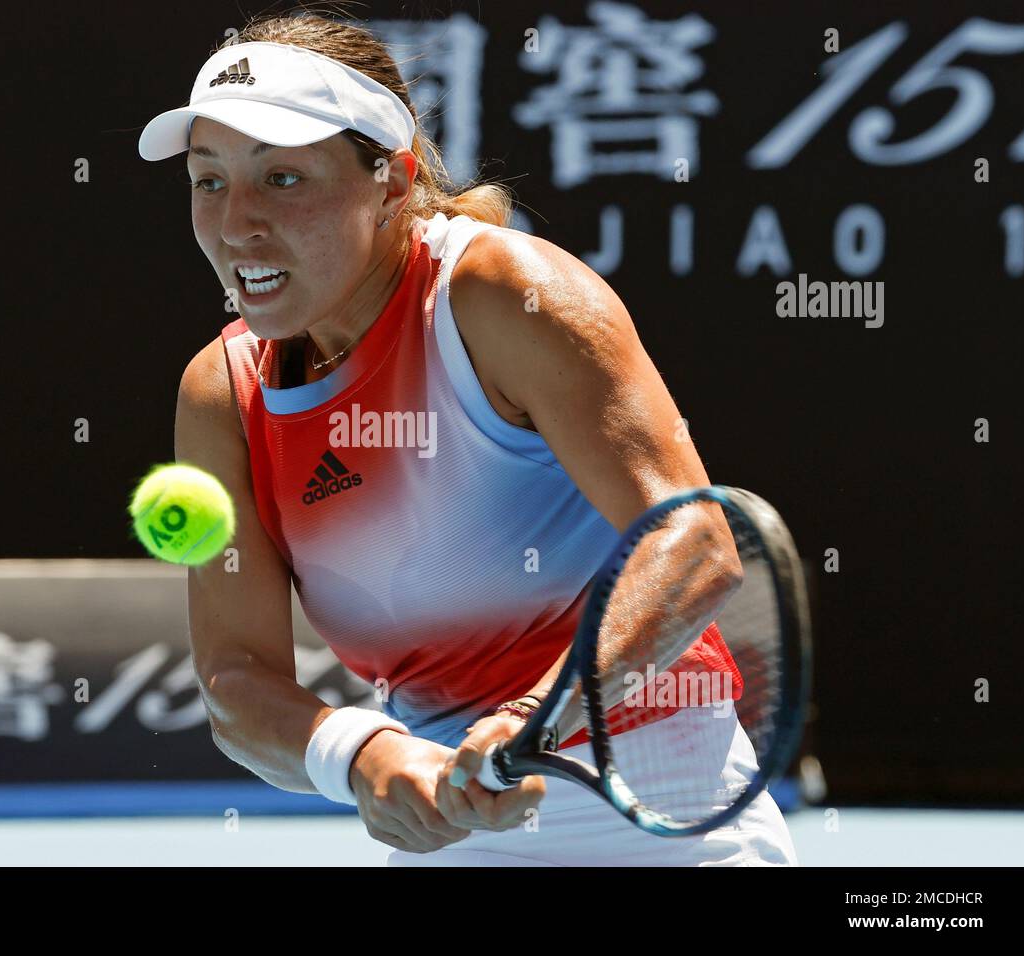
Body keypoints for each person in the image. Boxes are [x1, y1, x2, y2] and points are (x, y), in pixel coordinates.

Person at [140, 11, 797, 865]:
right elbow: (235, 684)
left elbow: (696, 543)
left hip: (666, 812)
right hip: (455, 832)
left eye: (284, 179)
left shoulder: (502, 296)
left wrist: (535, 718)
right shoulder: (221, 394)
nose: (236, 225)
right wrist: (366, 757)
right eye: (209, 180)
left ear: (390, 179)